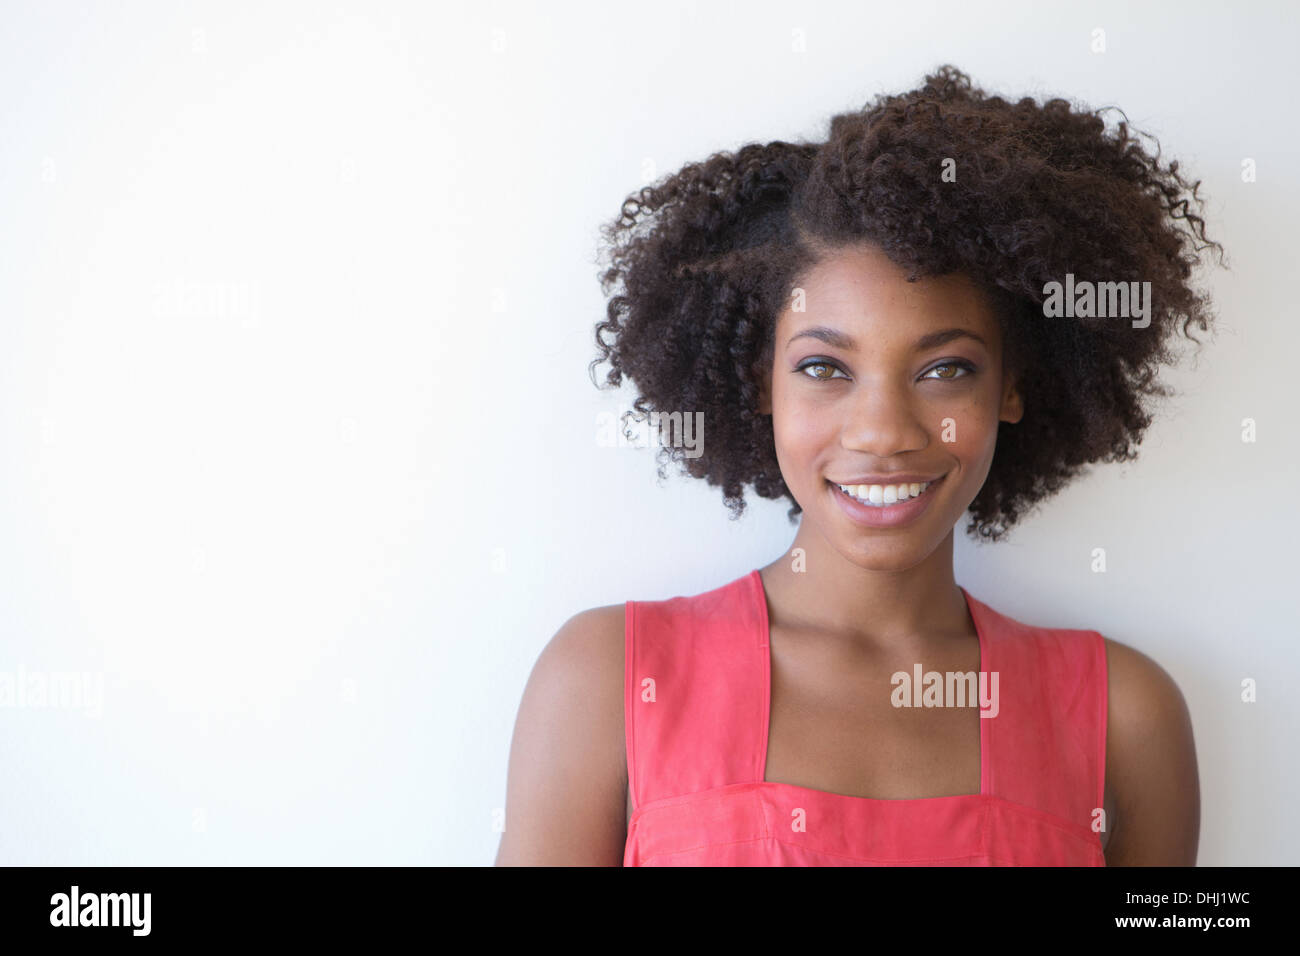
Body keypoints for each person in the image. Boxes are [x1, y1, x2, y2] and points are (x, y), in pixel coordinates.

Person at [496, 65, 1216, 866]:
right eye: (823, 368)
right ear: (757, 385)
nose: (882, 432)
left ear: (1013, 386)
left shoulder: (1126, 716)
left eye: (946, 368)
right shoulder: (606, 682)